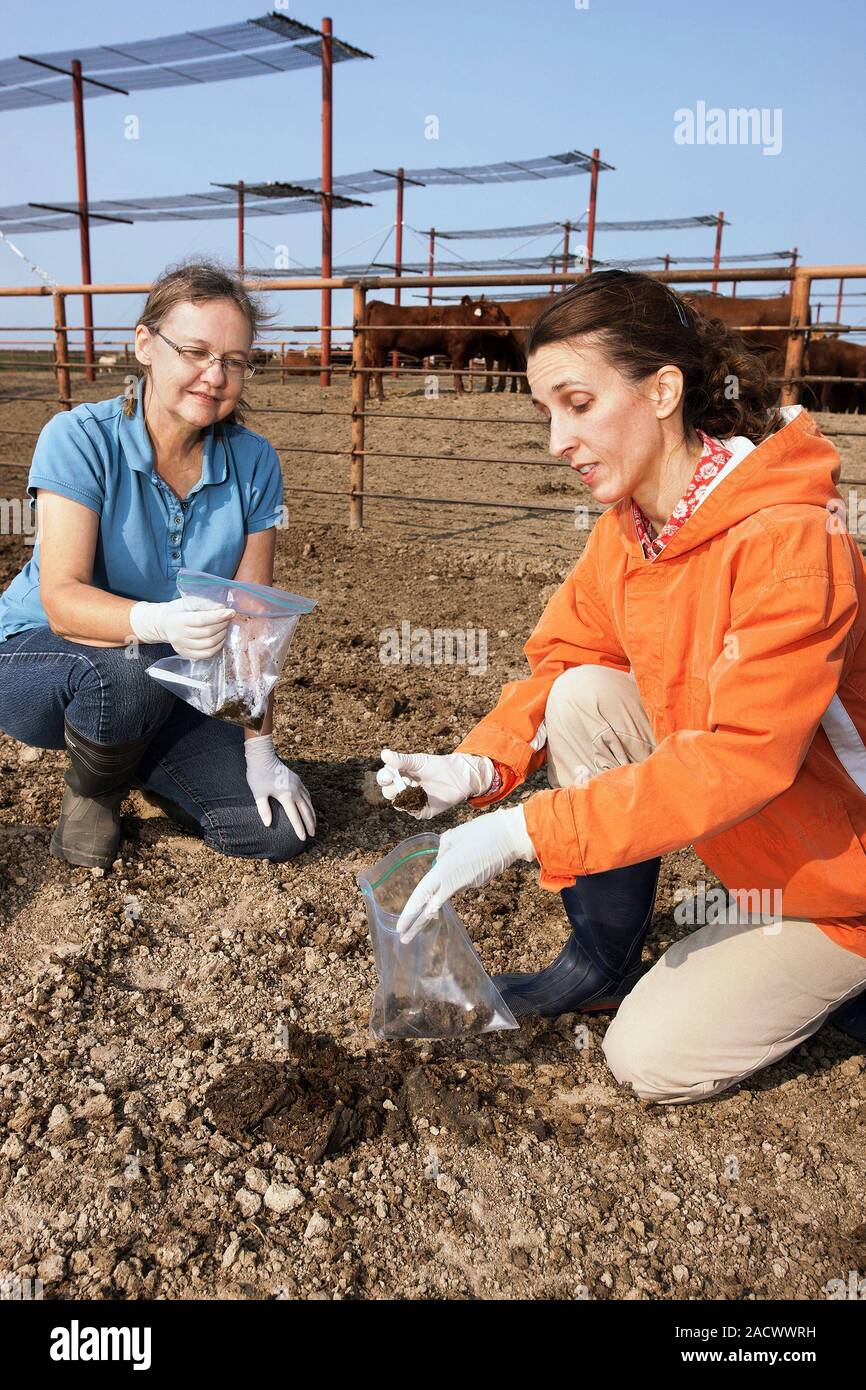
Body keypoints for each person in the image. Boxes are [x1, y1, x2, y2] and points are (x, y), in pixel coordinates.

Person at [376, 269, 866, 1105]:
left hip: (839, 873)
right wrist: (476, 769)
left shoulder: (788, 540)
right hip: (757, 838)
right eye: (547, 413)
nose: (557, 441)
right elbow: (565, 659)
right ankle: (600, 960)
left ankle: (840, 967)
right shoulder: (634, 527)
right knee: (583, 696)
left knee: (651, 1061)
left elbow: (742, 760)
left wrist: (529, 829)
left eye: (578, 404)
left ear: (664, 389)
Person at [0, 259, 315, 870]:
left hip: (166, 679)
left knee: (275, 833)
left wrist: (260, 746)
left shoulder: (255, 462)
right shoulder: (80, 437)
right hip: (39, 657)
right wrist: (157, 622)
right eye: (194, 351)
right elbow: (62, 598)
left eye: (234, 360)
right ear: (145, 344)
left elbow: (254, 624)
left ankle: (132, 753)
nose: (214, 375)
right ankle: (93, 791)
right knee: (127, 670)